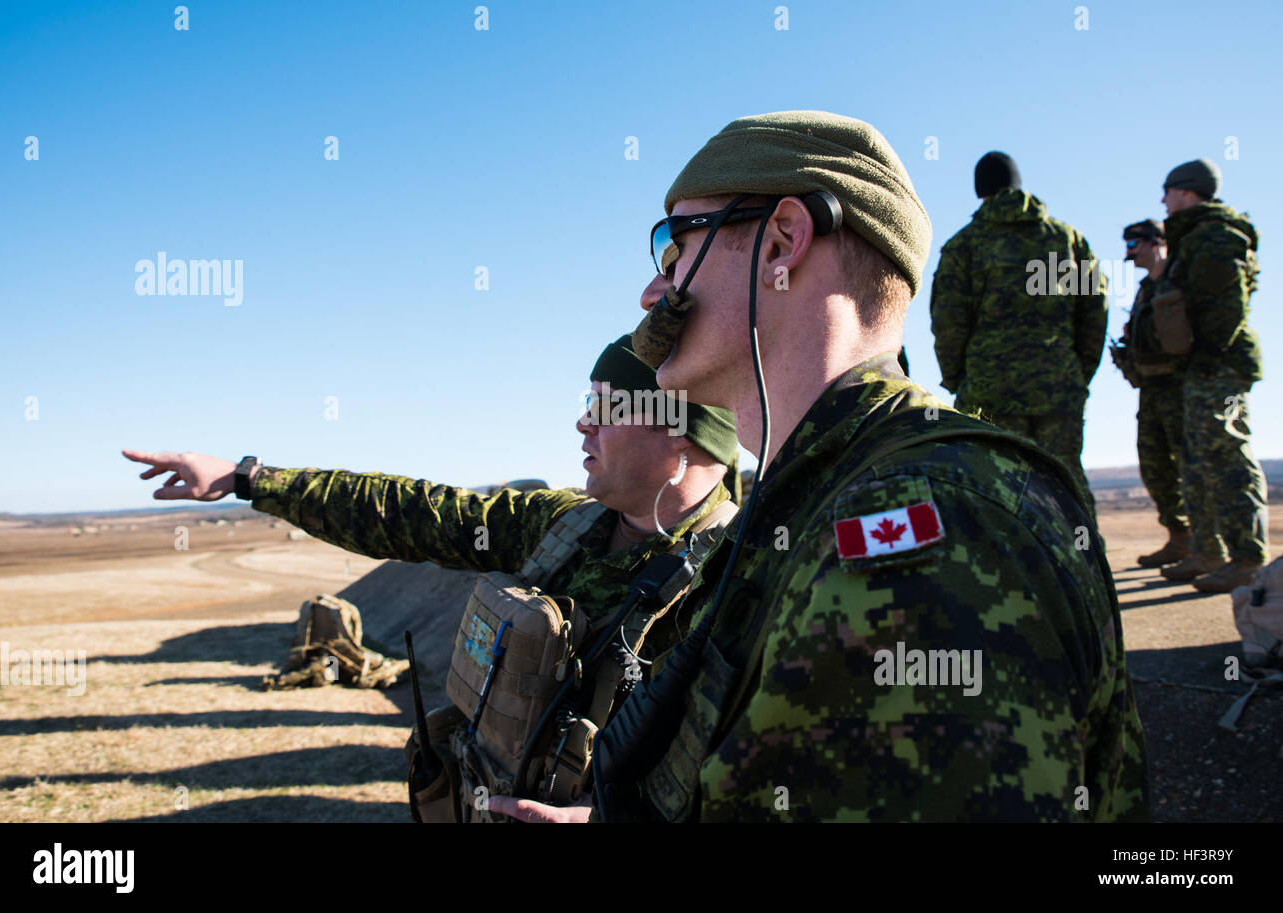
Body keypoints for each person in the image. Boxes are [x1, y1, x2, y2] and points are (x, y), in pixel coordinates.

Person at [493, 111, 1148, 823]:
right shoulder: (807, 503)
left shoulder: (924, 530)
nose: (655, 292)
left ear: (782, 243)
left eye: (675, 247)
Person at [122, 334, 739, 668]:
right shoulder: (561, 526)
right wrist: (248, 478)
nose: (583, 425)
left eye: (605, 406)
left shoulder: (743, 573)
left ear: (677, 427)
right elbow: (407, 511)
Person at [930, 151, 1107, 515]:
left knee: (995, 487)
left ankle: (1013, 570)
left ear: (980, 189)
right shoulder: (1068, 240)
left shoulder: (965, 244)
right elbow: (1094, 311)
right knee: (1066, 480)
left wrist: (958, 378)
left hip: (989, 387)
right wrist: (1075, 370)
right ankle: (1086, 568)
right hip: (1058, 384)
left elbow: (948, 321)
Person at [1156, 158, 1268, 593]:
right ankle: (1209, 551)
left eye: (1168, 191)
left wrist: (1206, 356)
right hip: (1201, 366)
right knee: (1198, 462)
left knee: (1227, 458)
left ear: (1187, 191)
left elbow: (1229, 309)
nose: (1163, 201)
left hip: (1218, 367)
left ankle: (1248, 557)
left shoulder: (1216, 235)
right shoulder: (1195, 237)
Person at [1115, 219, 1198, 567]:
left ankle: (1209, 543)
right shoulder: (1145, 289)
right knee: (1155, 466)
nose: (1129, 253)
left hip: (1181, 387)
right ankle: (1180, 538)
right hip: (1150, 388)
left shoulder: (1179, 280)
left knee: (1193, 465)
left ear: (1154, 243)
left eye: (1134, 245)